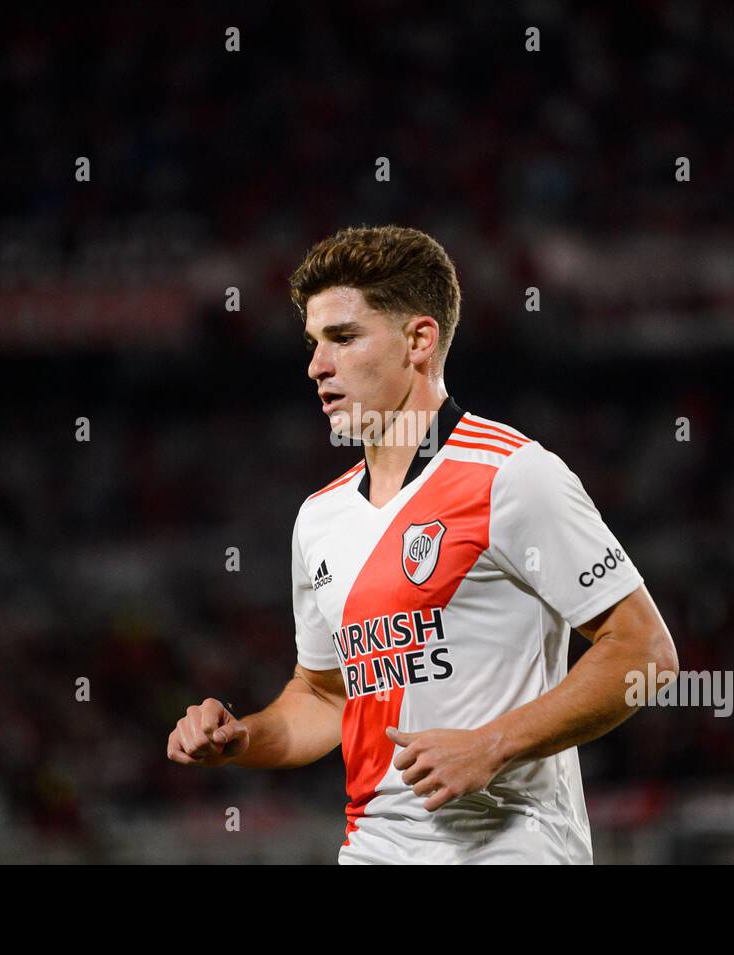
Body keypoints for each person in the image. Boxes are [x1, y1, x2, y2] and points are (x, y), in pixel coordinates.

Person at [167, 224, 677, 863]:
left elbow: (645, 652)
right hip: (374, 847)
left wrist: (492, 744)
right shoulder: (318, 518)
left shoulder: (513, 475)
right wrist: (245, 736)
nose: (317, 365)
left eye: (343, 338)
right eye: (313, 343)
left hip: (510, 845)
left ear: (419, 339)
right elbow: (326, 695)